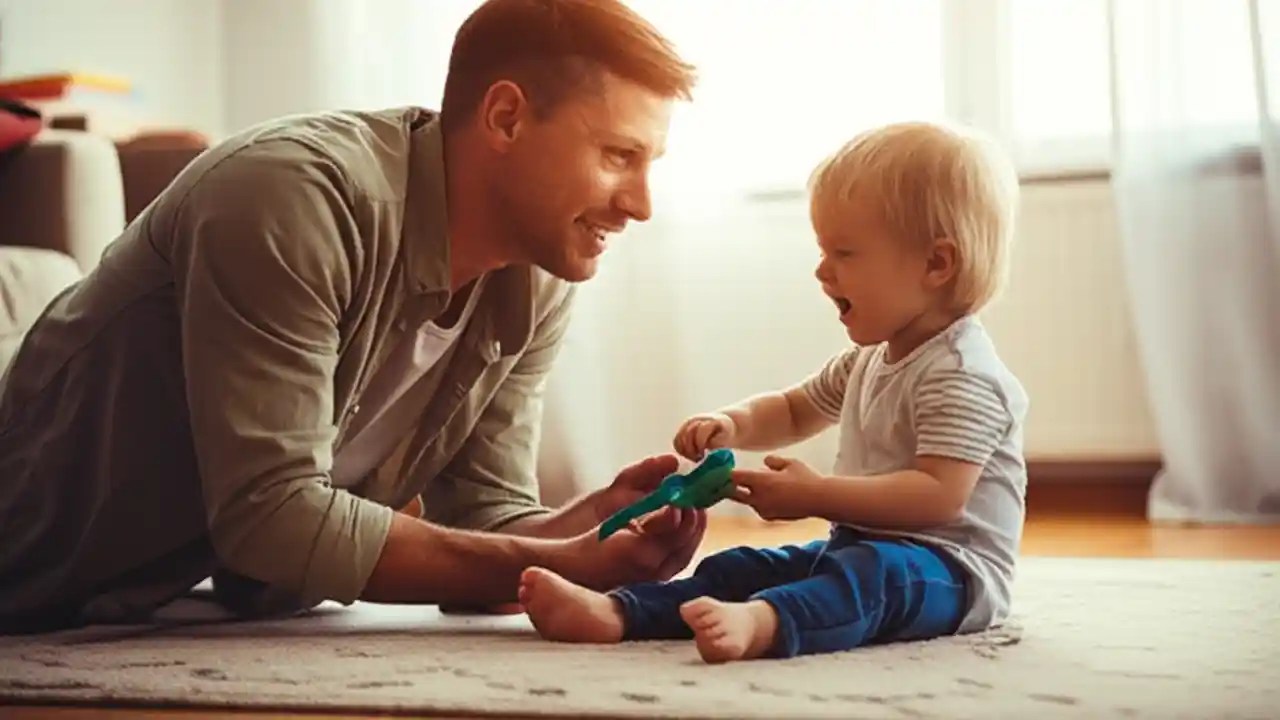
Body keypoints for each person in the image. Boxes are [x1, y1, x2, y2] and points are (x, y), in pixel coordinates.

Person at [0, 0, 707, 632]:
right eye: (618, 155)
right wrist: (561, 558)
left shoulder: (537, 272)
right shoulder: (292, 198)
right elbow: (272, 520)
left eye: (651, 163)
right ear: (505, 118)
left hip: (156, 600)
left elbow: (486, 520)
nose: (641, 203)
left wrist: (590, 530)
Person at [519, 121, 1030, 663]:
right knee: (744, 566)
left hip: (949, 571)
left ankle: (765, 624)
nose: (821, 270)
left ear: (935, 263)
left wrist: (817, 495)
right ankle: (621, 614)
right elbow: (795, 408)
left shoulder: (962, 374)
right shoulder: (869, 360)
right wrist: (735, 424)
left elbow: (938, 495)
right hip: (864, 546)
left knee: (870, 579)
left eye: (844, 253)